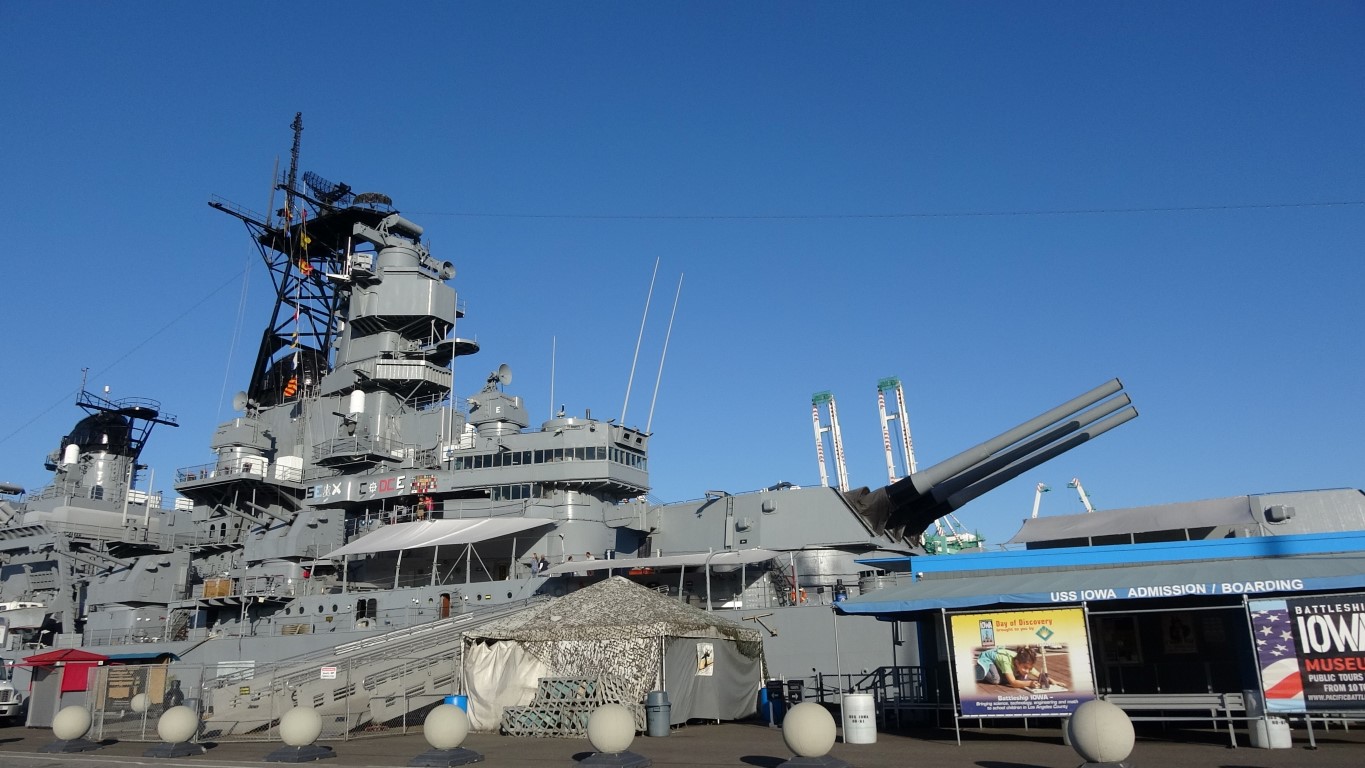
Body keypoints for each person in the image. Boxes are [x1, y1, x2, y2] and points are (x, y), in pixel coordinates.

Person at [975, 646, 1043, 689]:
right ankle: (978, 670)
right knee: (996, 679)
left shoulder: (1025, 662)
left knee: (1019, 677)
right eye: (1025, 668)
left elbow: (1039, 674)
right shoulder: (1006, 661)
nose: (1027, 671)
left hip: (999, 663)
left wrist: (1046, 679)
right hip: (988, 659)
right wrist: (1030, 683)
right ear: (1017, 663)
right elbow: (1013, 683)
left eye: (1030, 669)